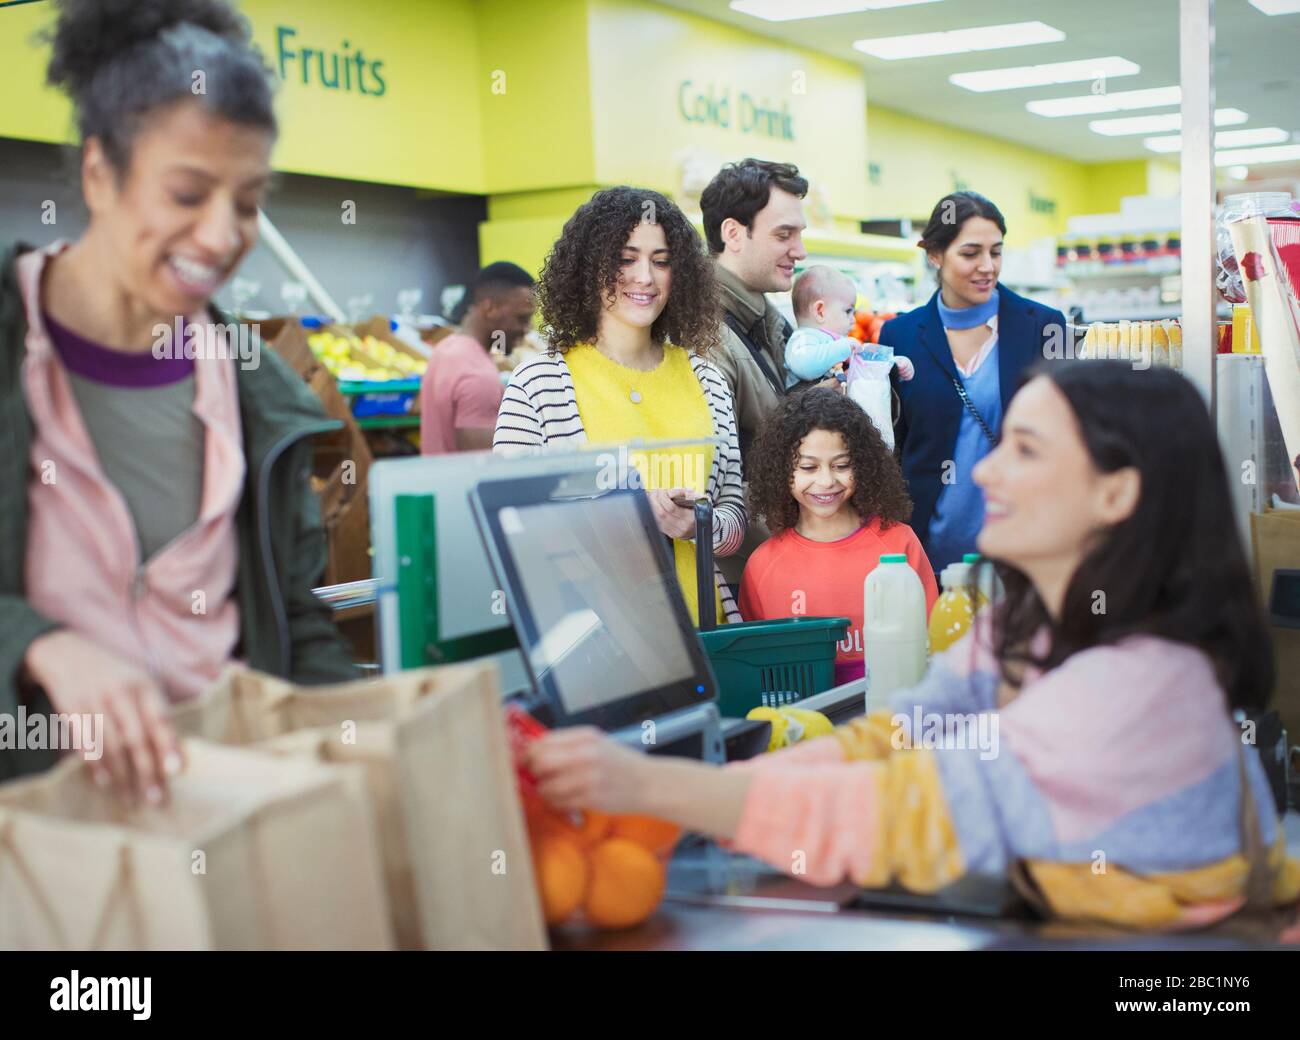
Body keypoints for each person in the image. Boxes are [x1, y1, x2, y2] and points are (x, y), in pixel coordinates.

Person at [524, 362, 1300, 930]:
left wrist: (645, 787)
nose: (986, 471)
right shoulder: (1025, 626)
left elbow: (900, 814)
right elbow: (898, 733)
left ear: (1115, 493)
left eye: (1025, 450)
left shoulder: (1134, 688)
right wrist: (727, 786)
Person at [0, 0, 357, 797]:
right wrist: (38, 644)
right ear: (99, 173)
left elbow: (294, 624)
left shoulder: (256, 393)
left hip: (218, 819)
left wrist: (371, 739)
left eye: (249, 200)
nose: (222, 234)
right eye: (188, 194)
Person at [493, 187, 746, 625]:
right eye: (625, 259)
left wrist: (698, 525)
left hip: (706, 630)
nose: (645, 277)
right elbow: (509, 522)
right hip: (598, 644)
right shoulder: (539, 383)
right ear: (590, 267)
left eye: (661, 261)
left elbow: (734, 518)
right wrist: (619, 515)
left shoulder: (707, 380)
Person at [880, 191, 1067, 573]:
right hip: (926, 551)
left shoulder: (1043, 326)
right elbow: (891, 442)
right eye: (970, 253)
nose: (987, 266)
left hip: (1024, 545)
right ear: (934, 254)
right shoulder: (900, 335)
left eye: (996, 252)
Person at [739, 389, 937, 685]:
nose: (826, 481)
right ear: (780, 470)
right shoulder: (761, 565)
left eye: (842, 465)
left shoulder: (899, 543)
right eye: (808, 467)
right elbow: (758, 672)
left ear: (864, 464)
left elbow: (932, 646)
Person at [420, 261, 534, 454]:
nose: (526, 330)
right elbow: (485, 470)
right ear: (490, 308)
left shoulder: (445, 350)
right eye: (521, 318)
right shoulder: (478, 375)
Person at [786, 264, 914, 386]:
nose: (853, 319)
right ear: (820, 312)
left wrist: (893, 364)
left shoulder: (838, 343)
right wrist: (843, 347)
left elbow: (865, 364)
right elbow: (803, 366)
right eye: (848, 311)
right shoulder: (803, 338)